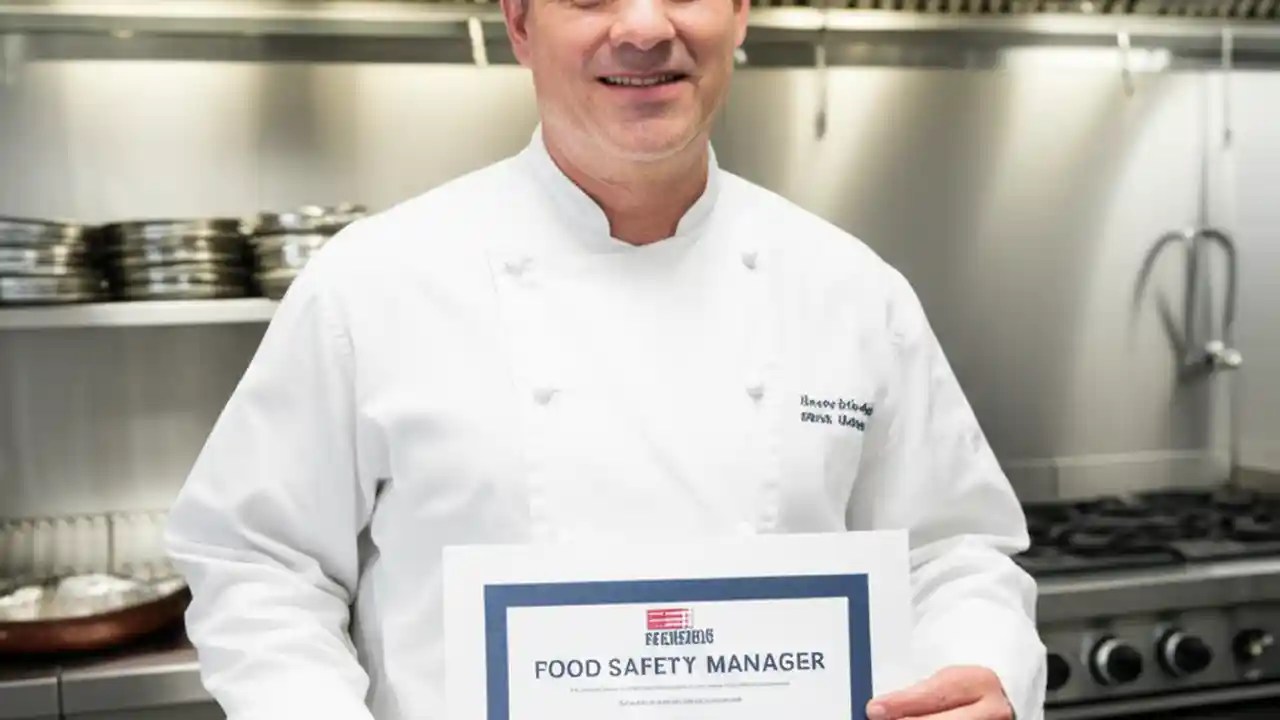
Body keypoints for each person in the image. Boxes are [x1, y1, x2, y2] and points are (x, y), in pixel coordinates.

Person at [165, 0, 1046, 717]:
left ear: (739, 13)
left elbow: (953, 550)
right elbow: (260, 563)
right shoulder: (374, 281)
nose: (644, 27)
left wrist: (986, 666)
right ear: (519, 23)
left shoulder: (850, 287)